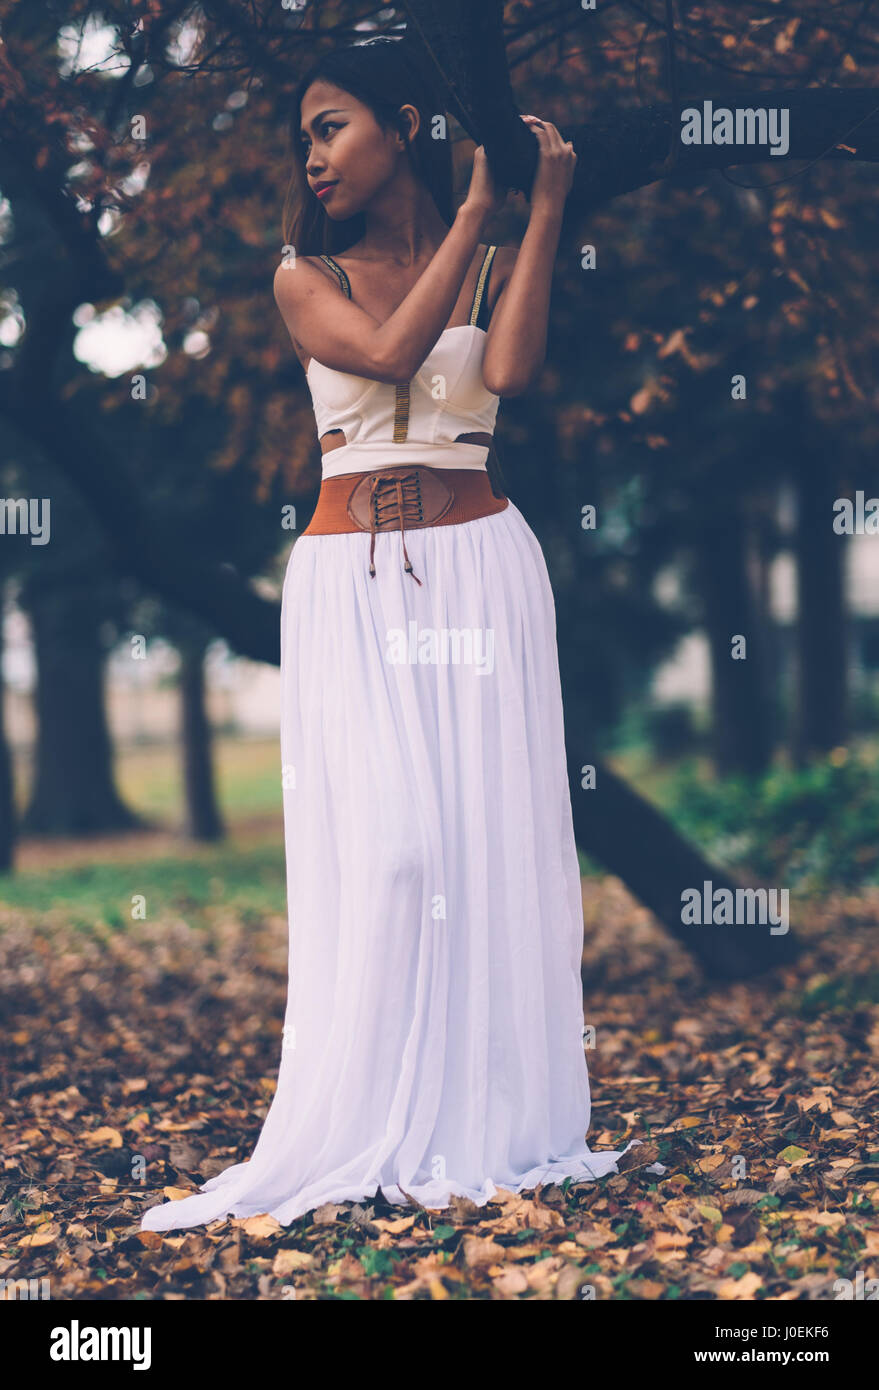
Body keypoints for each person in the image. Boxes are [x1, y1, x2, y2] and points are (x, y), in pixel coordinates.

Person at [141, 35, 648, 1235]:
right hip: (350, 586)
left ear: (404, 124)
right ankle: (365, 1114)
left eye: (332, 125)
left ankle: (479, 1119)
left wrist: (544, 207)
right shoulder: (298, 278)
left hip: (480, 573)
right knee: (397, 853)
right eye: (305, 134)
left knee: (483, 849)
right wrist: (478, 211)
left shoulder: (488, 259)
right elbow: (384, 355)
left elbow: (508, 368)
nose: (311, 155)